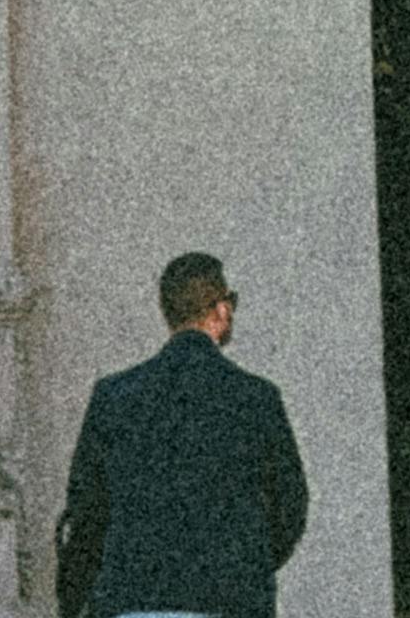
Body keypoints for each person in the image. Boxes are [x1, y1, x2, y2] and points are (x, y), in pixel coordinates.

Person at [54, 253, 308, 618]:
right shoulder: (256, 398)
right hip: (231, 601)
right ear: (220, 309)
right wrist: (247, 562)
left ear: (167, 312)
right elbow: (290, 507)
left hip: (134, 599)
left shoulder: (114, 397)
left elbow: (87, 513)